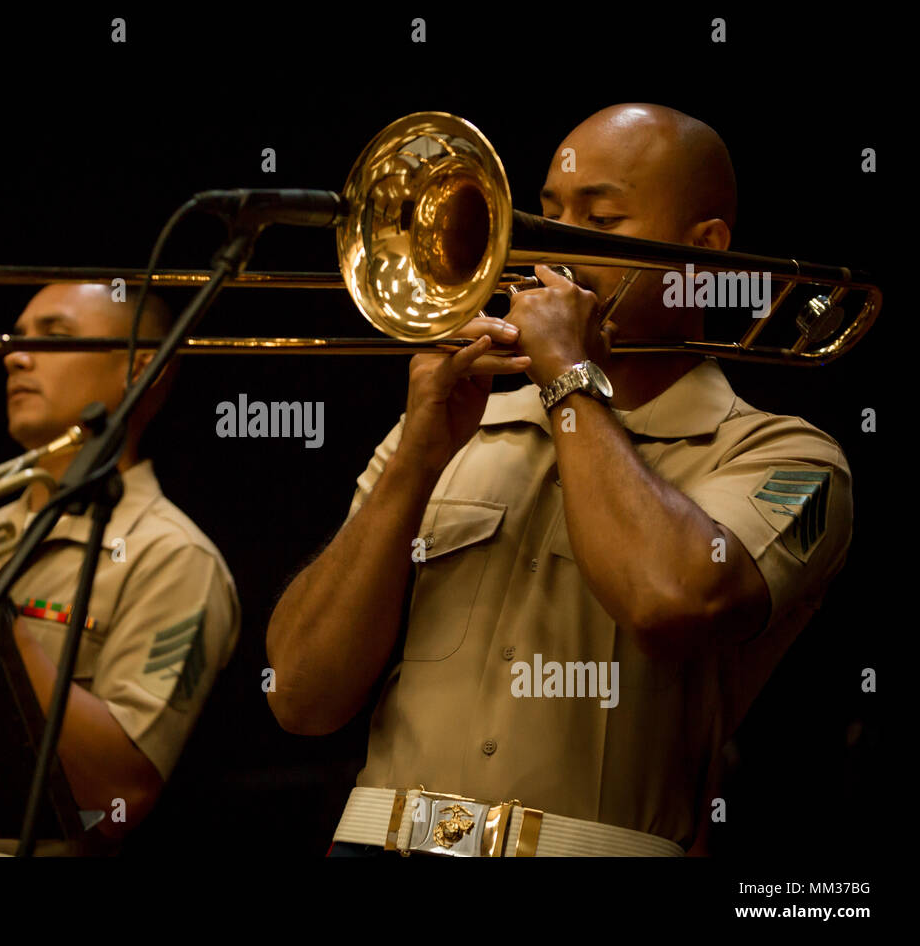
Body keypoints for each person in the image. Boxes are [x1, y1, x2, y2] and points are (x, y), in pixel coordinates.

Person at [265, 104, 852, 857]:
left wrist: (571, 380)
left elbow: (668, 597)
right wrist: (416, 457)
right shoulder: (451, 428)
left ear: (704, 251)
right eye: (546, 212)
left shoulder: (789, 458)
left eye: (600, 220)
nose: (548, 248)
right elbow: (299, 696)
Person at [0, 282, 239, 855]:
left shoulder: (174, 556)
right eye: (19, 338)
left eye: (55, 337)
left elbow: (118, 795)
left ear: (139, 369)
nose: (15, 355)